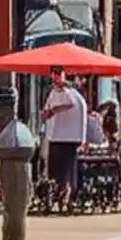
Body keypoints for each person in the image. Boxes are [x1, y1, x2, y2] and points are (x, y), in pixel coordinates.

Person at [40, 66, 86, 213]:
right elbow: (49, 107)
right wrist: (47, 112)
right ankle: (61, 196)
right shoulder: (57, 92)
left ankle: (65, 197)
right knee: (60, 170)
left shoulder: (67, 92)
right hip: (59, 136)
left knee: (64, 171)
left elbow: (69, 104)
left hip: (65, 137)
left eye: (58, 74)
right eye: (53, 75)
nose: (55, 78)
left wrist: (53, 111)